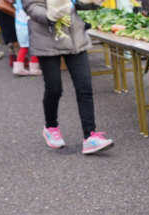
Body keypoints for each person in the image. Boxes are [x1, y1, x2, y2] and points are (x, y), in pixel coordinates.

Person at [24, 0, 114, 154]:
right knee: (54, 89)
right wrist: (51, 15)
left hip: (75, 39)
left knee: (84, 87)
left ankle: (90, 136)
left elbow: (80, 3)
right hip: (46, 40)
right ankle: (51, 127)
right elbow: (32, 6)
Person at [12, 0, 40, 75]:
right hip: (29, 26)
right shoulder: (27, 4)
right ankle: (34, 68)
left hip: (20, 27)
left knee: (23, 47)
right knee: (35, 47)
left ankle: (18, 68)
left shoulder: (17, 3)